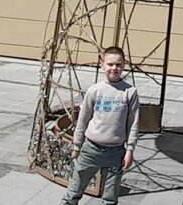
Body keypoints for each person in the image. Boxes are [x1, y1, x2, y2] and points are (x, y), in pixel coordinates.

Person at [60, 46, 140, 205]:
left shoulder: (130, 92)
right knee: (73, 192)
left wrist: (130, 150)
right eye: (110, 64)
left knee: (110, 198)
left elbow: (133, 123)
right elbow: (83, 120)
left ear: (124, 65)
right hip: (91, 150)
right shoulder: (94, 91)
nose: (114, 68)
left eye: (118, 64)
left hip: (116, 153)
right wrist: (77, 146)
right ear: (102, 65)